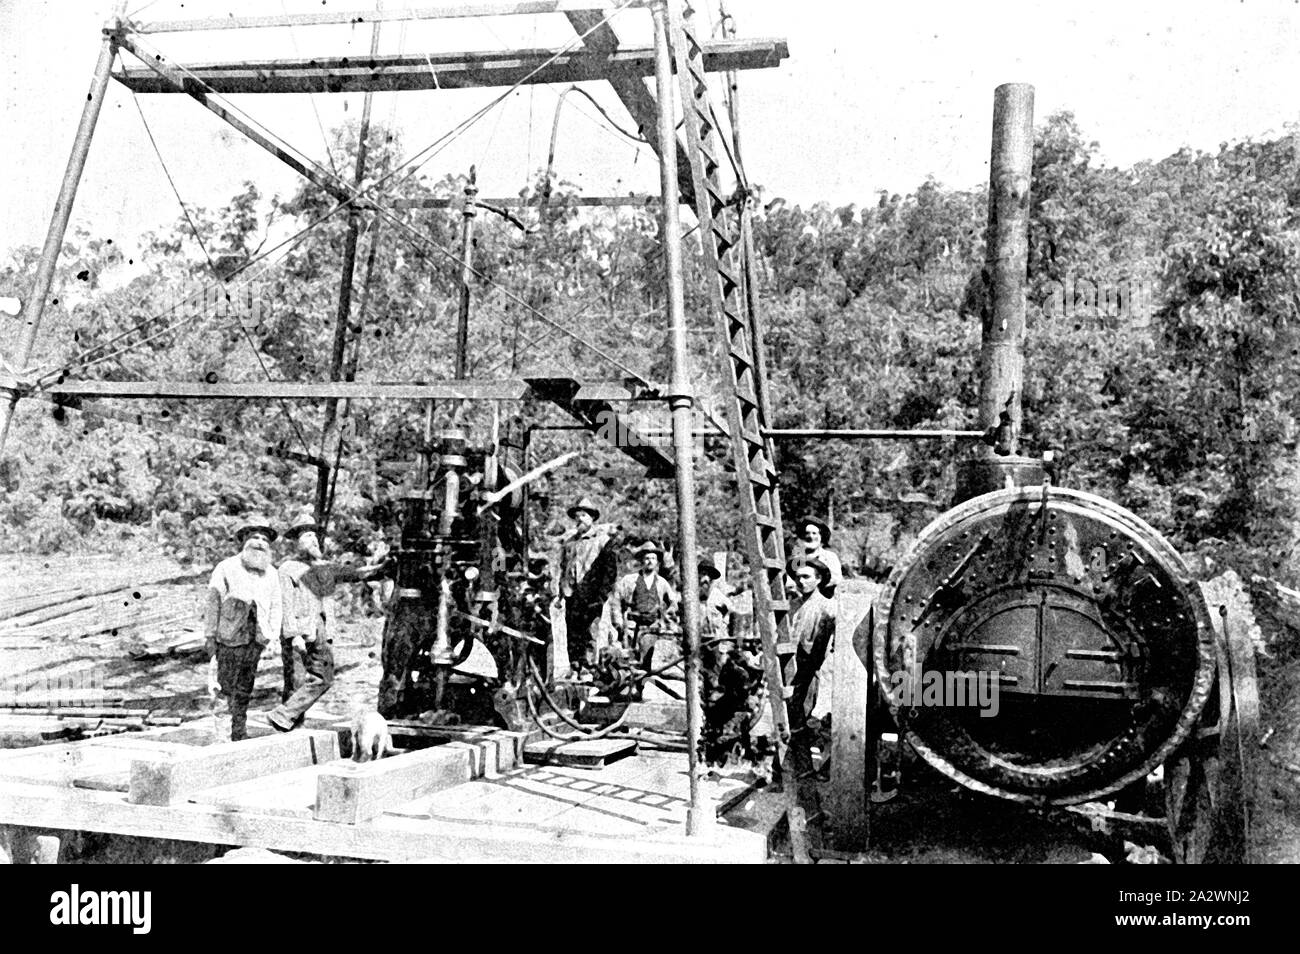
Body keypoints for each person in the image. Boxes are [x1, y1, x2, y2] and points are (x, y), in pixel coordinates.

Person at [267, 511, 392, 733]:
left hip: (323, 630)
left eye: (314, 535)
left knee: (324, 678)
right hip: (299, 630)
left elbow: (357, 573)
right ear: (296, 542)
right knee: (295, 680)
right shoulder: (288, 569)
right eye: (306, 536)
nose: (312, 539)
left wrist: (382, 568)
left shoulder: (326, 567)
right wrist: (293, 635)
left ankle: (283, 715)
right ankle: (291, 728)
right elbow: (285, 603)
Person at [204, 515, 283, 742]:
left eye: (263, 539)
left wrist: (273, 636)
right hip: (229, 639)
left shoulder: (272, 573)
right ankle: (222, 735)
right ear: (244, 540)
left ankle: (239, 731)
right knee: (224, 688)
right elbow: (213, 602)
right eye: (254, 537)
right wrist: (210, 635)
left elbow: (276, 605)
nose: (259, 542)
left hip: (256, 641)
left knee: (245, 688)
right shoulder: (226, 567)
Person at [556, 497, 620, 673]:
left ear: (592, 518)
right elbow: (563, 568)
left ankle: (588, 668)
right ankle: (574, 666)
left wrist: (602, 595)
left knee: (590, 631)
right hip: (572, 594)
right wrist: (560, 594)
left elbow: (610, 572)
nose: (580, 519)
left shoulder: (603, 541)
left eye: (584, 515)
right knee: (573, 632)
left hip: (592, 595)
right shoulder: (569, 543)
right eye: (577, 516)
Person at [786, 557, 836, 743]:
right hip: (790, 670)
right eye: (798, 577)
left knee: (804, 720)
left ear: (819, 579)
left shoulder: (828, 607)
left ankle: (802, 766)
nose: (801, 581)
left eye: (806, 577)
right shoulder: (792, 607)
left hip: (811, 673)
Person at [611, 541, 680, 669]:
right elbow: (616, 601)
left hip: (651, 627)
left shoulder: (662, 582)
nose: (649, 561)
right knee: (628, 662)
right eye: (647, 558)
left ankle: (642, 685)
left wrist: (667, 616)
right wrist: (618, 622)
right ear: (642, 560)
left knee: (646, 663)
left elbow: (673, 602)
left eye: (653, 558)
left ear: (657, 562)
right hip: (631, 626)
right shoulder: (629, 580)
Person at [794, 516, 843, 591]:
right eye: (807, 533)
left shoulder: (830, 557)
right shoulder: (797, 557)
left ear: (820, 537)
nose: (810, 536)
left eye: (814, 533)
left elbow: (836, 580)